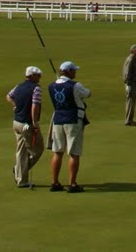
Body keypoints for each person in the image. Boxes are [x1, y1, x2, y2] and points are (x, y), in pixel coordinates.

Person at [48, 61, 91, 192]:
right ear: (68, 71)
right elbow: (87, 93)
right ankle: (72, 184)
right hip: (73, 120)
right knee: (74, 153)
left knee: (58, 152)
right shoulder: (75, 85)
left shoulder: (51, 86)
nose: (75, 72)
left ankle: (55, 182)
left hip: (58, 120)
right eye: (74, 70)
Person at [6, 66, 43, 188]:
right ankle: (18, 170)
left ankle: (21, 180)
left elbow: (9, 96)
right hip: (27, 124)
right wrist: (35, 123)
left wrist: (16, 105)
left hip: (16, 122)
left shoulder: (19, 86)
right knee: (38, 149)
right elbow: (35, 107)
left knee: (21, 150)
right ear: (32, 76)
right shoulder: (36, 88)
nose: (40, 77)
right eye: (38, 75)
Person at [122, 45, 136, 126]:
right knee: (130, 102)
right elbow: (127, 73)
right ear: (132, 51)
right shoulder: (131, 59)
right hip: (131, 84)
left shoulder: (134, 58)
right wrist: (128, 85)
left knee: (131, 102)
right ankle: (129, 120)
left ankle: (129, 120)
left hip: (133, 83)